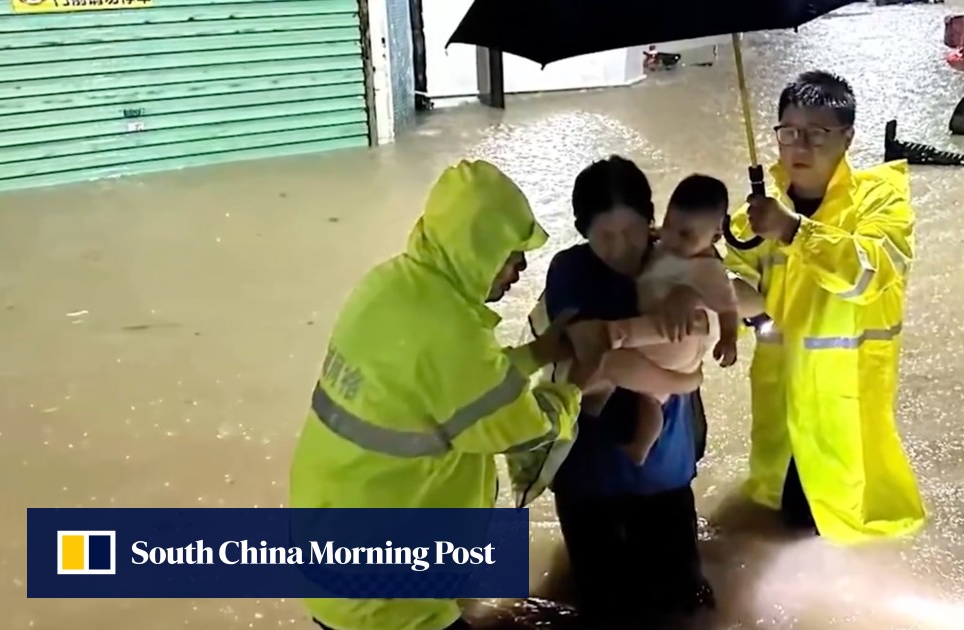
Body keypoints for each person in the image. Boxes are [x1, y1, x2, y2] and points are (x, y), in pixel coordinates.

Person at [288, 159, 593, 630]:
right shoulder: (452, 336)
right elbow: (527, 426)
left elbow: (447, 391)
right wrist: (577, 385)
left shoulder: (390, 285)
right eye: (512, 253)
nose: (520, 268)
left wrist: (534, 354)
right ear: (479, 248)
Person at [725, 71, 927, 543]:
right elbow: (733, 280)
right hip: (782, 401)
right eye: (788, 132)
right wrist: (718, 283)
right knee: (778, 530)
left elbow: (869, 273)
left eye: (817, 134)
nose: (799, 146)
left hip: (844, 404)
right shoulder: (755, 213)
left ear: (848, 137)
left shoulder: (882, 200)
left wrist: (795, 230)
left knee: (842, 527)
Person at [535, 155, 715, 622]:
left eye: (633, 232)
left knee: (685, 602)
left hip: (666, 468)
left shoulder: (682, 256)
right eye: (606, 237)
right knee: (603, 607)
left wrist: (689, 293)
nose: (621, 248)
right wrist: (684, 378)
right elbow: (593, 353)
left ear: (652, 221)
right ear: (581, 230)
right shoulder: (569, 271)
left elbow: (741, 295)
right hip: (590, 474)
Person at [568, 174, 739, 465]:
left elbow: (731, 306)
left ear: (715, 236)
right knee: (649, 400)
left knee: (608, 362)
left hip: (672, 341)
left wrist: (728, 338)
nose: (672, 238)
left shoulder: (708, 269)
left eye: (685, 235)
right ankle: (634, 443)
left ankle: (569, 405)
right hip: (661, 355)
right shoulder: (658, 245)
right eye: (669, 226)